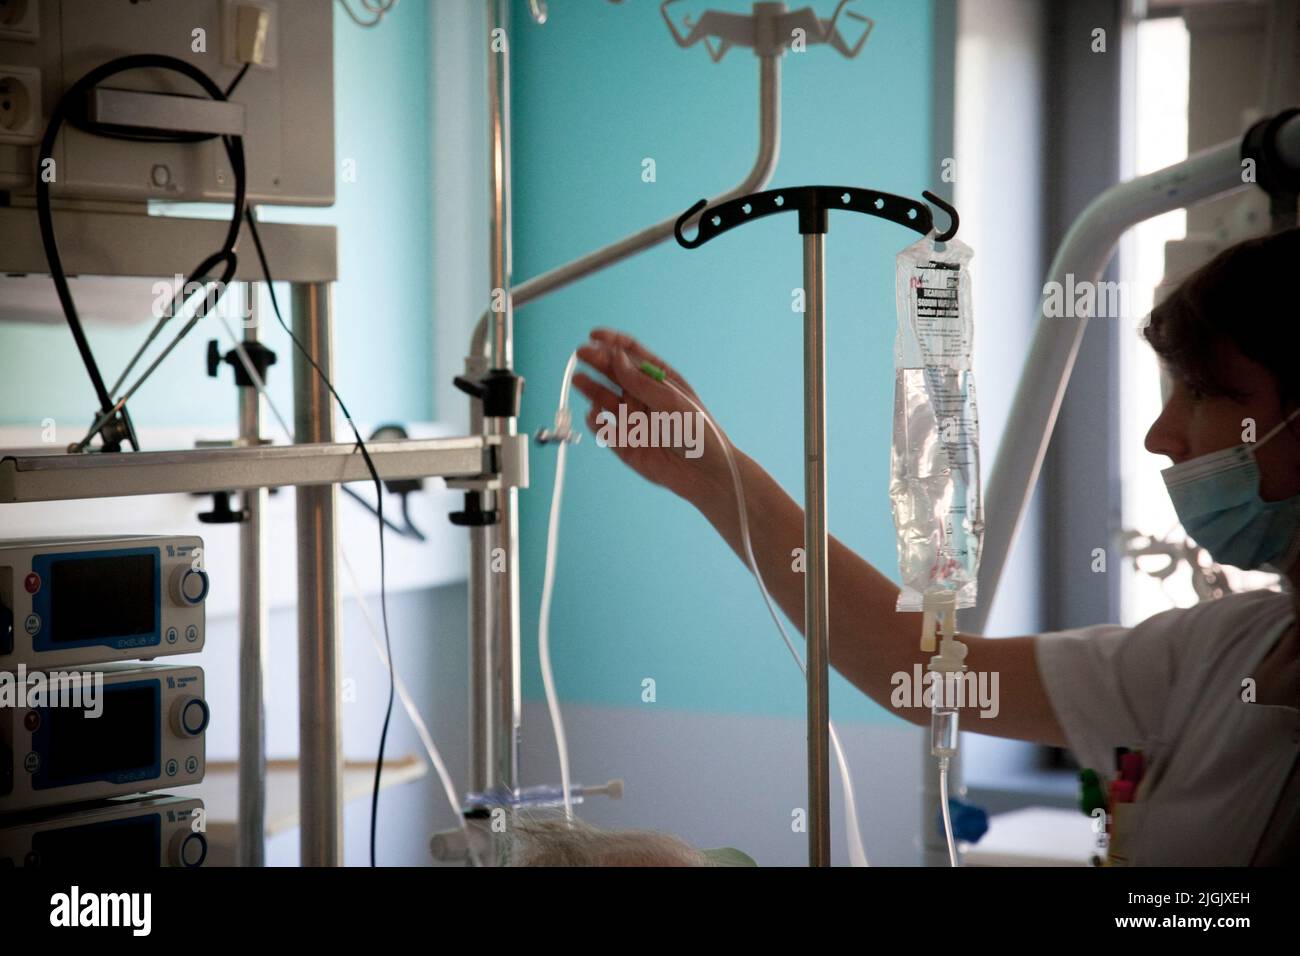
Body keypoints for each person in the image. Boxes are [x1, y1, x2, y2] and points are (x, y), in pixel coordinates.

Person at [571, 228, 1300, 865]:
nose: (1160, 435)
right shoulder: (1222, 650)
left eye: (1204, 393)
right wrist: (714, 472)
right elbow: (920, 671)